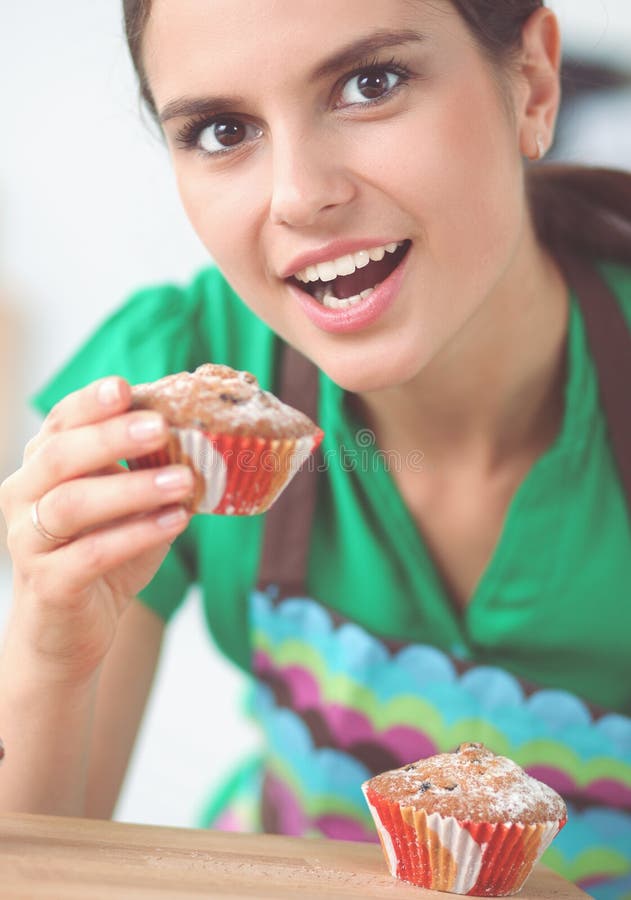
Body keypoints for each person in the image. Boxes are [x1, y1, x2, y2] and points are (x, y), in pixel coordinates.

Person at [1, 1, 630, 896]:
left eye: (370, 84)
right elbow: (35, 869)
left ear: (529, 81)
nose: (299, 196)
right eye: (223, 131)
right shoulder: (176, 381)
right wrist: (52, 646)